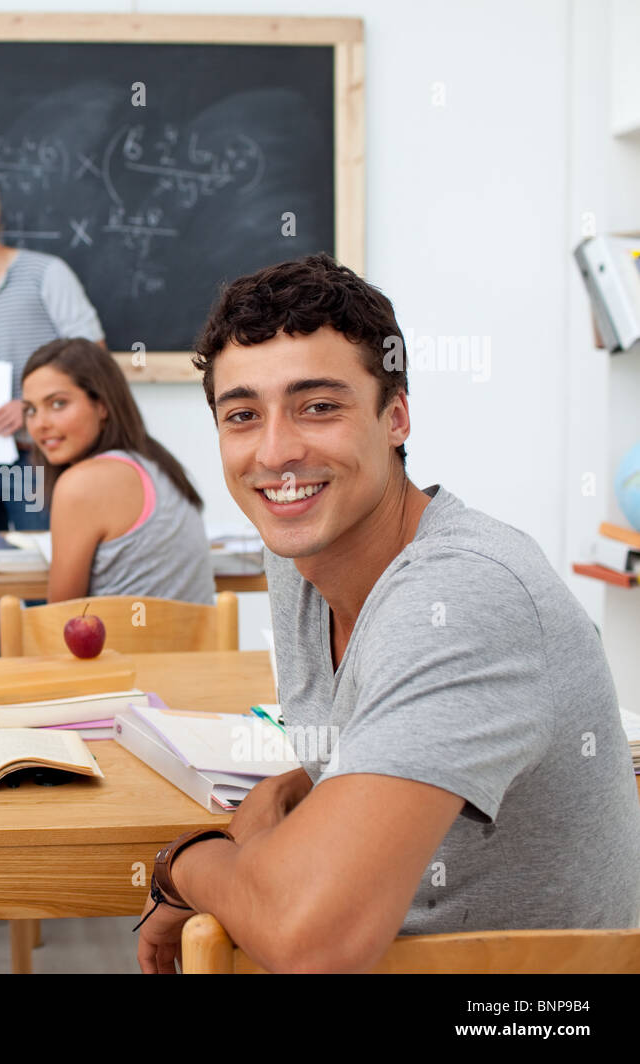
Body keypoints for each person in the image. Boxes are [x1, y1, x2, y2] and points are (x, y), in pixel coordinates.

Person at [135, 254, 640, 974]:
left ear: (395, 416)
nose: (277, 452)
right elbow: (395, 725)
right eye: (243, 415)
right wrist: (299, 784)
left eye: (319, 406)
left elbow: (315, 941)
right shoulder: (303, 551)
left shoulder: (462, 595)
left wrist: (185, 864)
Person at [0, 169, 105, 654]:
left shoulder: (46, 273)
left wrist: (28, 408)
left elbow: (91, 350)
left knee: (40, 570)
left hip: (35, 451)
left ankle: (48, 674)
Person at [20, 337, 214, 603]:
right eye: (30, 410)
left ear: (102, 405)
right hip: (198, 644)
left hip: (121, 644)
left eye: (58, 404)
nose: (40, 424)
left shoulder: (82, 484)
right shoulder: (156, 463)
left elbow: (61, 617)